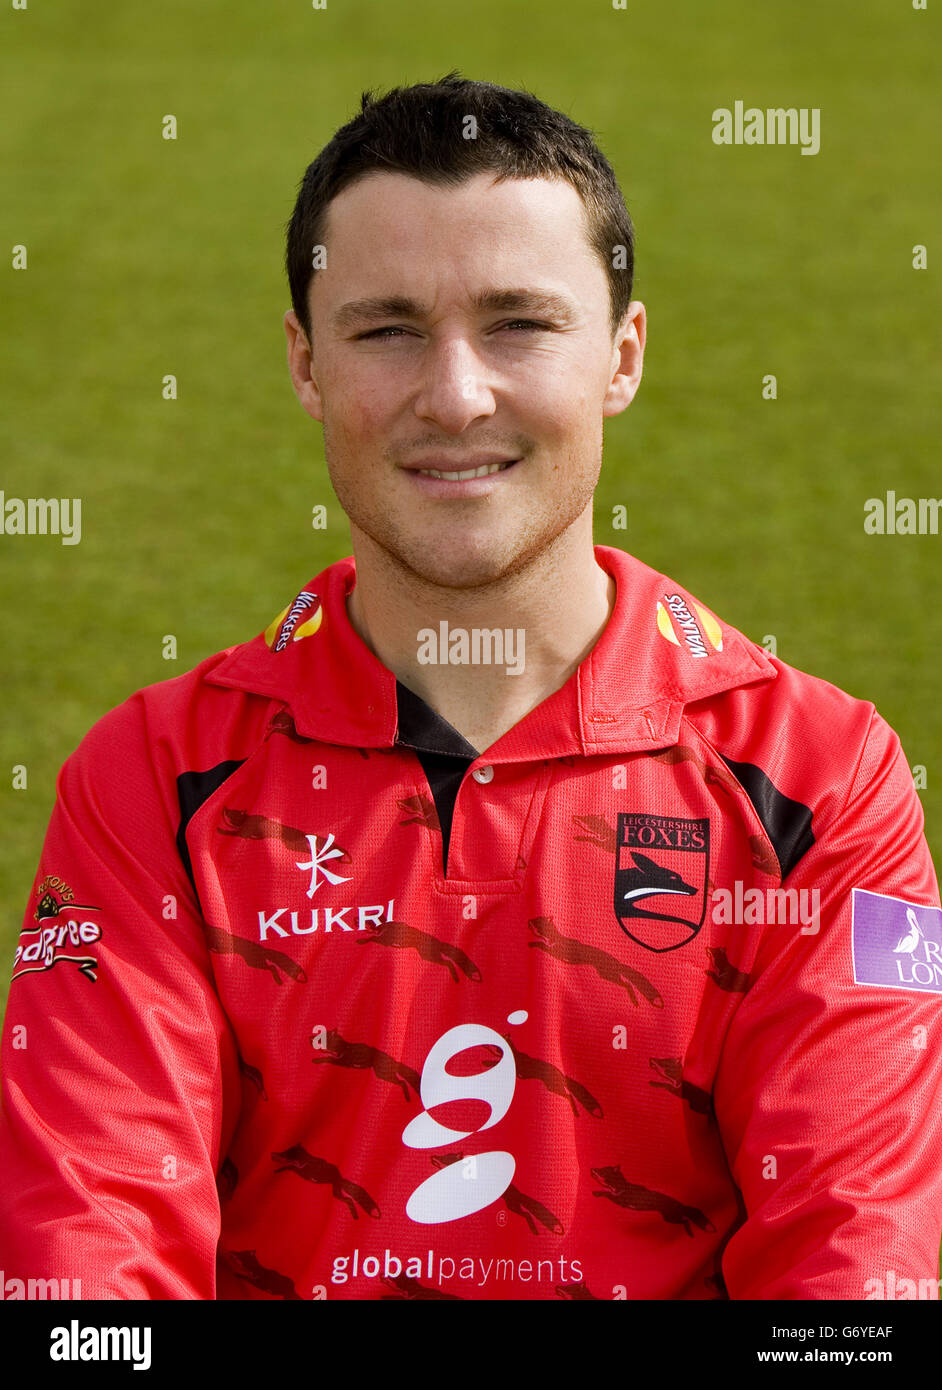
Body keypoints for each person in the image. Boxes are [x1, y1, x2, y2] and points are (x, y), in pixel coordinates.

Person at [1, 73, 940, 1303]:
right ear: (305, 363)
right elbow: (86, 1277)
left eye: (519, 323)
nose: (456, 395)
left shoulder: (825, 780)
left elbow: (855, 1278)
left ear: (622, 354)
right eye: (386, 328)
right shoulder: (150, 783)